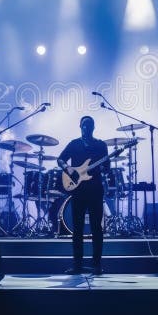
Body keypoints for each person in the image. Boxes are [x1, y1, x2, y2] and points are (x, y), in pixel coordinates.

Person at [57, 116, 108, 275]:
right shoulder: (74, 144)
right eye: (84, 124)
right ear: (80, 126)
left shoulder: (101, 145)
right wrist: (68, 169)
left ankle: (97, 265)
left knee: (96, 228)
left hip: (95, 190)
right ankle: (77, 265)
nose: (87, 127)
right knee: (77, 229)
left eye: (89, 124)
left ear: (94, 127)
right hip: (78, 191)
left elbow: (107, 168)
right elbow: (60, 159)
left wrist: (105, 164)